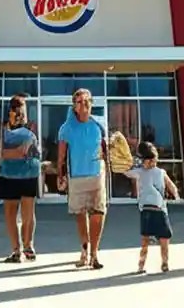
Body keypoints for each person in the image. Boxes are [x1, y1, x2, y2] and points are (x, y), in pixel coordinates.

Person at [56, 87, 109, 269]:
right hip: (77, 177)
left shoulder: (98, 124)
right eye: (80, 101)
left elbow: (106, 148)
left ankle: (94, 254)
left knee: (98, 213)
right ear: (74, 106)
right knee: (80, 215)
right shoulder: (66, 128)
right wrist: (60, 176)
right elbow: (61, 156)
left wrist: (110, 166)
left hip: (97, 175)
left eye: (87, 101)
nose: (85, 104)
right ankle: (84, 250)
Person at [0, 93, 40, 262]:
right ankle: (16, 250)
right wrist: (10, 153)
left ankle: (28, 246)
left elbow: (22, 151)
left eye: (22, 110)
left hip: (28, 174)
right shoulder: (3, 130)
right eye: (16, 110)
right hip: (8, 174)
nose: (20, 113)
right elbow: (2, 153)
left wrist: (11, 153)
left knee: (28, 212)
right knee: (10, 213)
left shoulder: (30, 130)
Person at [126, 141, 179, 274]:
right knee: (145, 241)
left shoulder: (161, 172)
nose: (150, 163)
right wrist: (128, 161)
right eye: (147, 160)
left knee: (164, 239)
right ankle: (141, 265)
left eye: (153, 159)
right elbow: (126, 172)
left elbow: (170, 184)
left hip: (160, 210)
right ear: (142, 160)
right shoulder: (139, 172)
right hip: (146, 210)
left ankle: (165, 263)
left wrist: (175, 193)